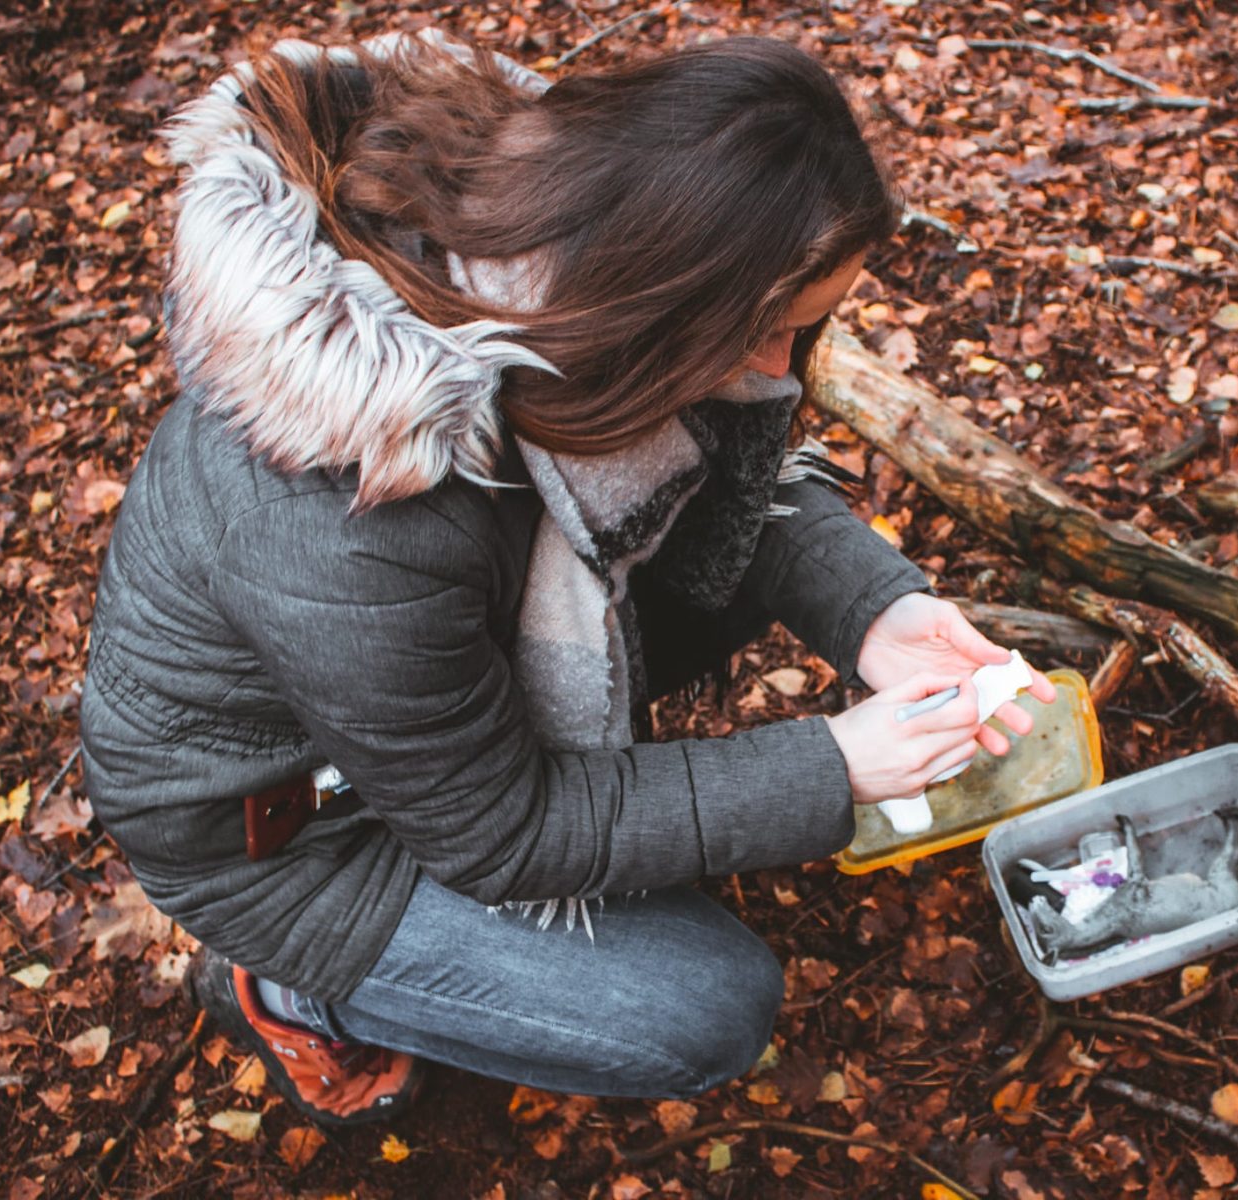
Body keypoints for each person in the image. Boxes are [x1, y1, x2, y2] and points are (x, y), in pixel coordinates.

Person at [80, 28, 1056, 1127]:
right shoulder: (351, 506)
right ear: (672, 292)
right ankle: (288, 988)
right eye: (769, 329)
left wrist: (879, 608)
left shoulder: (589, 253)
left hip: (434, 706)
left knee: (709, 584)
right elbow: (499, 831)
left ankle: (569, 777)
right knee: (697, 1009)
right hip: (296, 833)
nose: (783, 369)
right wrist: (830, 768)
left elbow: (737, 489)